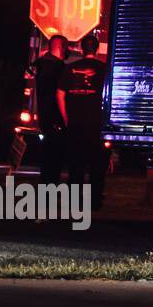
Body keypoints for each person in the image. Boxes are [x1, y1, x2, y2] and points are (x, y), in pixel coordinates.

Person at [58, 34, 109, 209]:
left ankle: (74, 201)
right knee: (97, 166)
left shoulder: (69, 68)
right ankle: (94, 201)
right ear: (97, 49)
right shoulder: (104, 69)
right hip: (97, 125)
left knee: (76, 165)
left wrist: (66, 118)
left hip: (75, 124)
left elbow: (60, 94)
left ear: (80, 49)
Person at [32, 35, 69, 185]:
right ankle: (49, 195)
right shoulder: (60, 68)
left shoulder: (39, 65)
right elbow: (60, 95)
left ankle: (44, 193)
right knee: (55, 161)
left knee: (46, 160)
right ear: (61, 47)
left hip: (44, 118)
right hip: (57, 119)